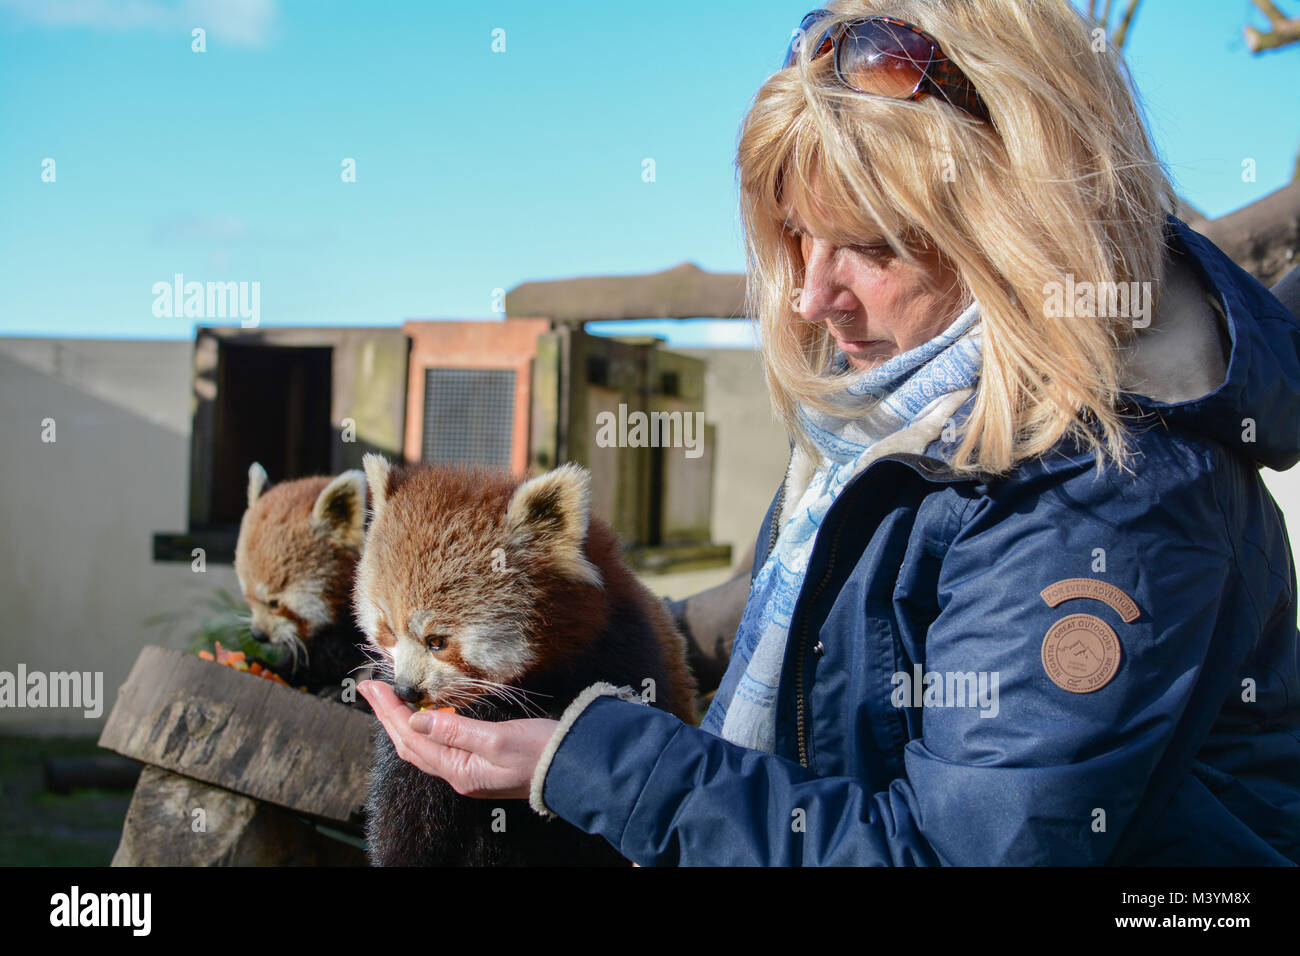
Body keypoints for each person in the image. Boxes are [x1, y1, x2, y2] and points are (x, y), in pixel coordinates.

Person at [359, 0, 1300, 865]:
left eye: (872, 245)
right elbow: (829, 636)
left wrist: (598, 765)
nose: (811, 294)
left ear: (1024, 230)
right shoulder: (901, 412)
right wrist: (626, 634)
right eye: (797, 237)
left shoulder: (1109, 499)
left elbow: (944, 856)